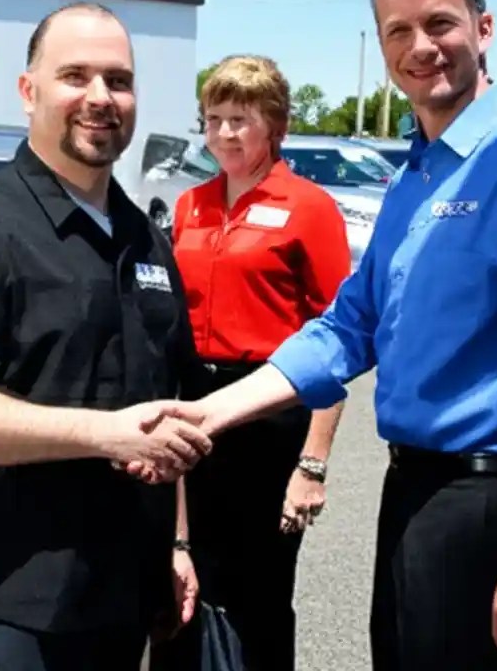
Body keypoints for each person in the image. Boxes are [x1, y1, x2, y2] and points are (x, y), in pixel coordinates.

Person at [134, 0, 497, 669]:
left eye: (440, 23)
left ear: (484, 28)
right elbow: (348, 325)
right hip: (414, 489)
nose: (421, 47)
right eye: (399, 31)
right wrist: (208, 414)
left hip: (489, 497)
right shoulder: (416, 176)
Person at [0, 1, 211, 670]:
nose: (100, 97)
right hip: (17, 607)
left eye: (118, 80)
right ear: (28, 90)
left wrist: (177, 545)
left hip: (127, 595)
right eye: (75, 76)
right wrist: (103, 433)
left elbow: (169, 406)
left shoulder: (146, 239)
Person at [149, 54, 351, 671]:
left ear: (275, 126)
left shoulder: (309, 207)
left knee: (258, 591)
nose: (224, 133)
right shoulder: (192, 205)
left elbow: (336, 343)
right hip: (194, 406)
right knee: (182, 578)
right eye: (214, 119)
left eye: (241, 119)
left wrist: (311, 464)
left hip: (269, 411)